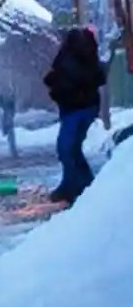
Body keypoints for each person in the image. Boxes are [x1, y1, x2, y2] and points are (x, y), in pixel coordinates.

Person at [44, 26, 107, 205]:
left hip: (76, 108)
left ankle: (74, 187)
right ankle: (84, 184)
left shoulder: (72, 58)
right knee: (72, 148)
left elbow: (67, 80)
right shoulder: (84, 57)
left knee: (66, 148)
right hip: (80, 107)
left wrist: (54, 84)